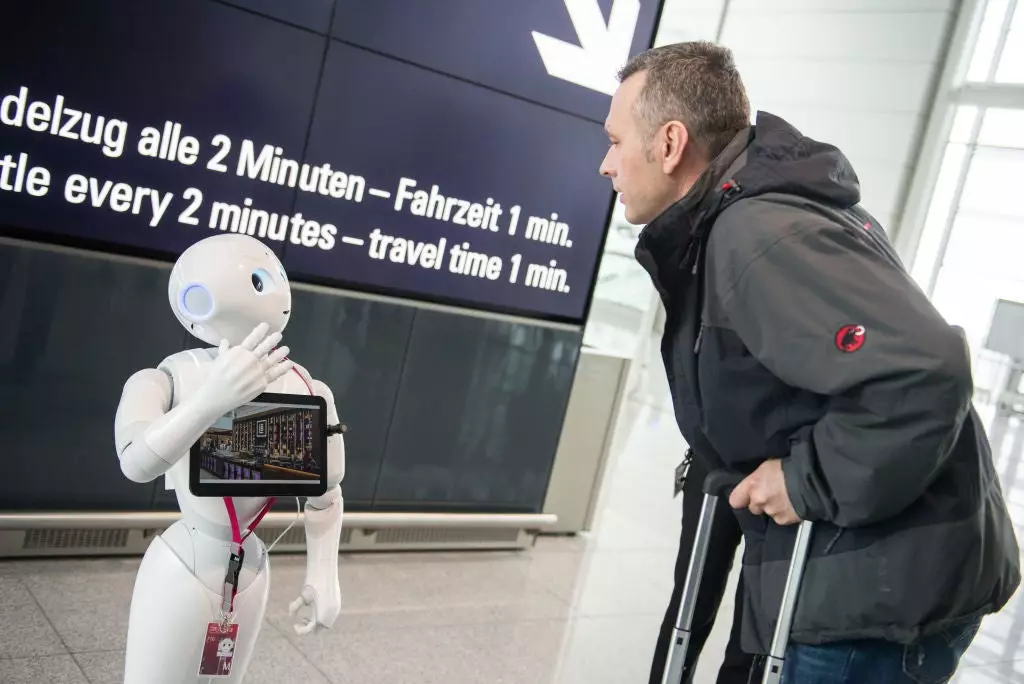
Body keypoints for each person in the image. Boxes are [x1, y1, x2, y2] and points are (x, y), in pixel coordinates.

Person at [599, 41, 1021, 683]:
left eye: (615, 141)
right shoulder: (759, 213)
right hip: (873, 573)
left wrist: (803, 480)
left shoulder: (759, 235)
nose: (606, 164)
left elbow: (925, 373)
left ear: (670, 143)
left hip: (872, 597)